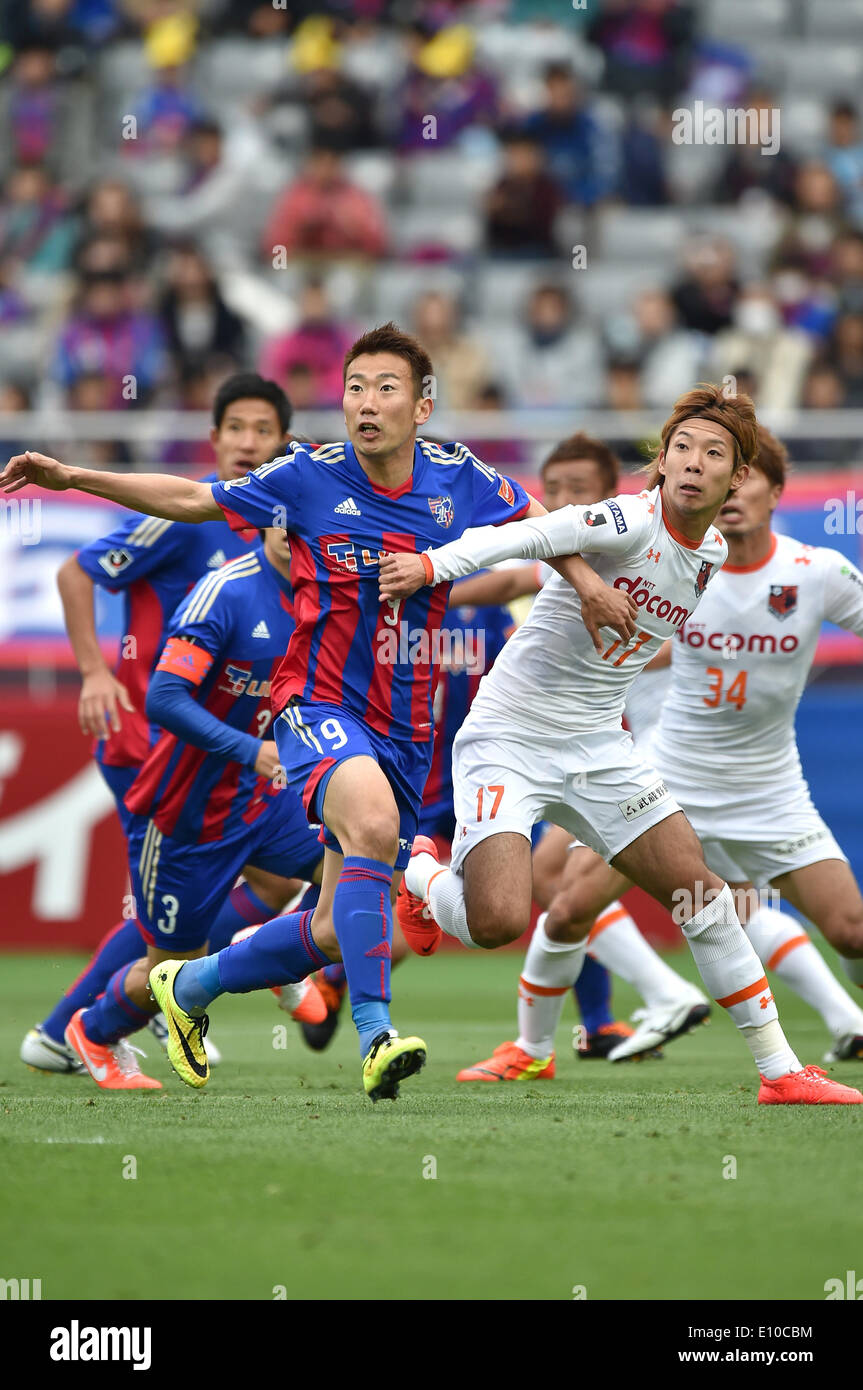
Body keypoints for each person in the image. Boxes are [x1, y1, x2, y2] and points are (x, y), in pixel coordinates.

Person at [3, 324, 630, 1101]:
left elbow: (536, 523)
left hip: (404, 729)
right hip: (316, 708)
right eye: (355, 388)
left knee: (335, 925)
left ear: (422, 405)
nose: (366, 404)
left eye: (385, 388)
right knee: (371, 830)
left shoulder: (456, 477)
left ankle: (190, 988)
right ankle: (375, 1033)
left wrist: (586, 582)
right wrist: (71, 477)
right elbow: (194, 498)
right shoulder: (304, 477)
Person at [379, 385, 863, 1106]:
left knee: (702, 896)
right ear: (660, 461)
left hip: (600, 746)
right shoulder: (628, 518)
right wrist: (433, 566)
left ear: (737, 478)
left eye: (713, 454)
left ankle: (779, 1070)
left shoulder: (710, 552)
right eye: (681, 449)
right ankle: (418, 874)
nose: (693, 464)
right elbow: (530, 535)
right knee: (497, 921)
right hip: (508, 737)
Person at [20, 373, 298, 1075]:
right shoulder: (185, 514)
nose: (247, 441)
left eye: (262, 429)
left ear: (284, 443)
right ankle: (72, 1030)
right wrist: (92, 670)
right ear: (213, 438)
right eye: (234, 427)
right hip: (152, 742)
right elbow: (77, 573)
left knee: (265, 884)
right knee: (161, 910)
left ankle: (201, 977)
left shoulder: (288, 532)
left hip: (228, 759)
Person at [64, 530, 325, 1089]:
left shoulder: (326, 588)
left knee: (361, 864)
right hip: (188, 813)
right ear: (263, 522)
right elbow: (164, 697)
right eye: (285, 521)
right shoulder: (226, 591)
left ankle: (266, 946)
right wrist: (250, 749)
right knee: (169, 972)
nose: (298, 534)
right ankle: (95, 1029)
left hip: (267, 799)